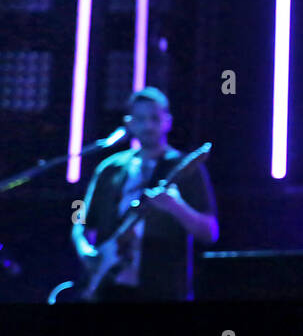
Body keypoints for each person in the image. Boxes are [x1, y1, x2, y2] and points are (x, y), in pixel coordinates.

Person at [70, 87, 218, 302]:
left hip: (161, 288)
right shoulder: (110, 168)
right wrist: (86, 252)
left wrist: (176, 206)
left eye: (155, 118)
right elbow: (81, 220)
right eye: (140, 119)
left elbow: (210, 232)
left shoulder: (186, 169)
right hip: (109, 288)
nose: (148, 125)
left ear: (168, 121)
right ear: (129, 123)